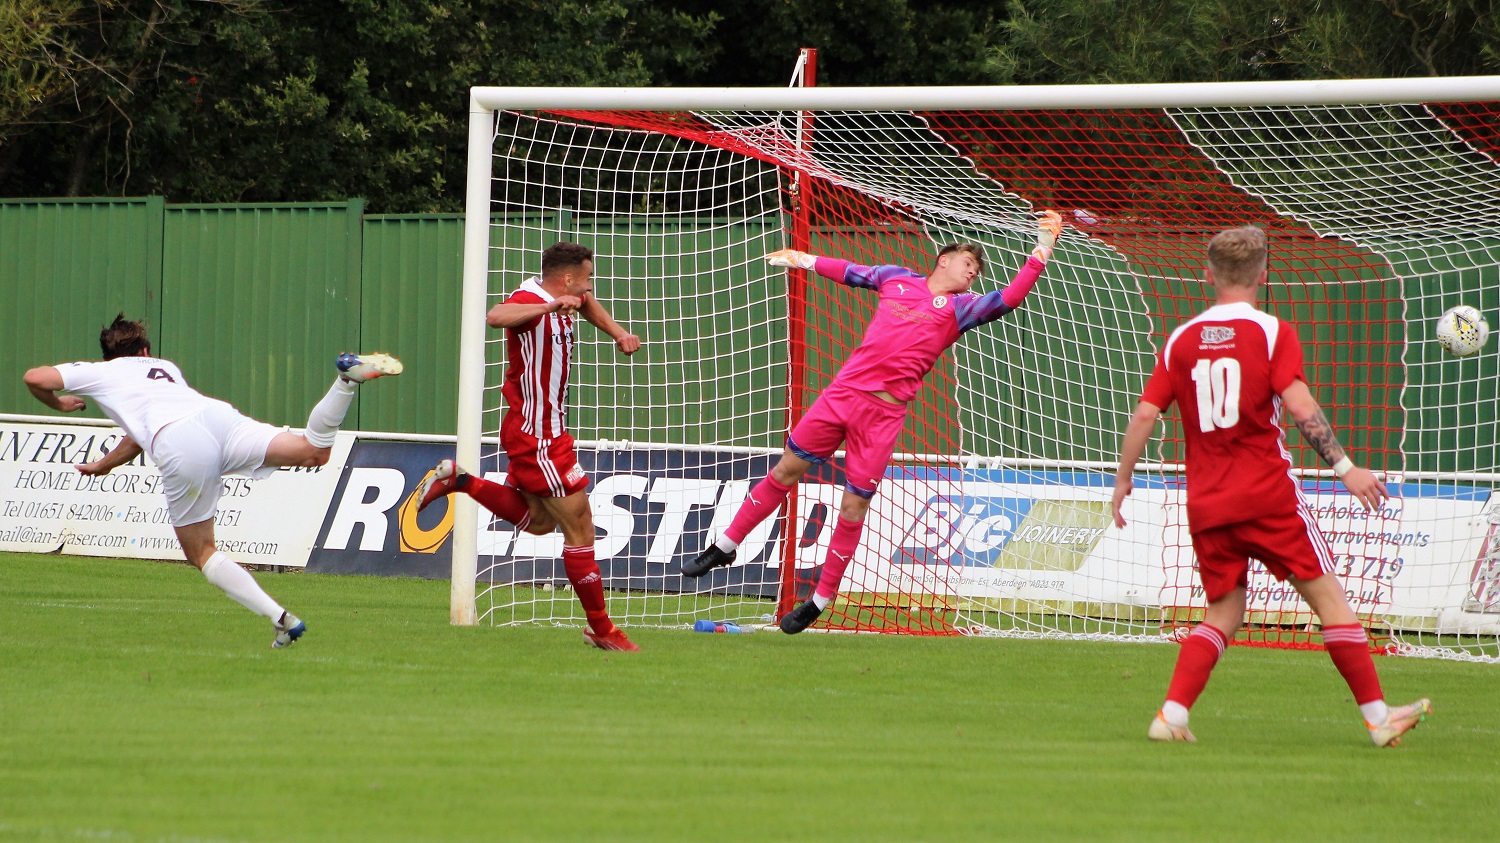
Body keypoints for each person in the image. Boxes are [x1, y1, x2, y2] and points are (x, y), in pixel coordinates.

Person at [1110, 226, 1431, 747]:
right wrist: (1346, 467)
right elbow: (1301, 407)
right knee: (1330, 600)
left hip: (1208, 502)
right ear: (1264, 274)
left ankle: (1172, 716)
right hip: (1266, 493)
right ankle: (1378, 718)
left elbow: (1146, 413)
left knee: (1223, 611)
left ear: (1209, 275)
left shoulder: (1180, 339)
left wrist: (1123, 480)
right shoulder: (1271, 331)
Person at [681, 211, 1064, 634]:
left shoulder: (962, 308)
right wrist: (804, 260)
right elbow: (849, 272)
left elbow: (1010, 298)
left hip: (883, 415)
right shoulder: (897, 278)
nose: (972, 273)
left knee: (853, 505)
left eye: (976, 271)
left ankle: (820, 600)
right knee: (786, 469)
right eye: (967, 264)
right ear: (943, 260)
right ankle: (726, 545)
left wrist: (1042, 247)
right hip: (841, 396)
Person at [23, 314, 402, 648]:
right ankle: (345, 381)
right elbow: (138, 433)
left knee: (201, 552)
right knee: (312, 451)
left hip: (180, 441)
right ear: (145, 351)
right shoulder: (163, 366)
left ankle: (283, 620)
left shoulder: (102, 372)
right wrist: (108, 463)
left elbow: (34, 378)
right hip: (218, 419)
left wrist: (59, 404)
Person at [416, 241, 641, 652]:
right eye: (586, 278)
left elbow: (587, 303)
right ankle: (602, 628)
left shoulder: (572, 295)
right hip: (540, 438)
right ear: (567, 278)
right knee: (581, 529)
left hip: (538, 433)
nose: (589, 287)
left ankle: (462, 481)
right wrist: (549, 308)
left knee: (539, 522)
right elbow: (495, 316)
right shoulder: (530, 299)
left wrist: (619, 333)